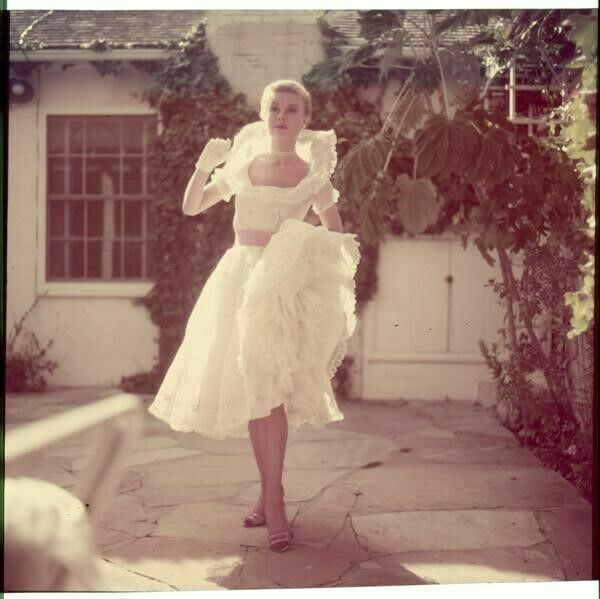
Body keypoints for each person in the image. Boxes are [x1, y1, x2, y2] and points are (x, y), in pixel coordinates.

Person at [148, 79, 360, 553]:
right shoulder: (244, 165)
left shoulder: (314, 176)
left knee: (270, 394)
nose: (281, 116)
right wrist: (204, 166)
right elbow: (192, 206)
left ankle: (274, 501)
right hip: (239, 281)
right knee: (253, 391)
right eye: (274, 108)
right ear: (263, 115)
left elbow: (336, 237)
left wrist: (294, 254)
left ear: (305, 119)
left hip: (281, 288)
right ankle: (269, 494)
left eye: (291, 109)